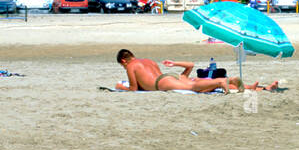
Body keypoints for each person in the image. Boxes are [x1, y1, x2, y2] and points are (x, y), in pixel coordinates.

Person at [114, 49, 276, 92]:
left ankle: (221, 81)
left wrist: (121, 87)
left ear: (123, 61)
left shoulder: (131, 66)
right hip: (171, 76)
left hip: (162, 83)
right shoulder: (148, 61)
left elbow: (134, 88)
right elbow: (191, 65)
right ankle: (261, 88)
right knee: (206, 86)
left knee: (195, 88)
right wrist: (174, 63)